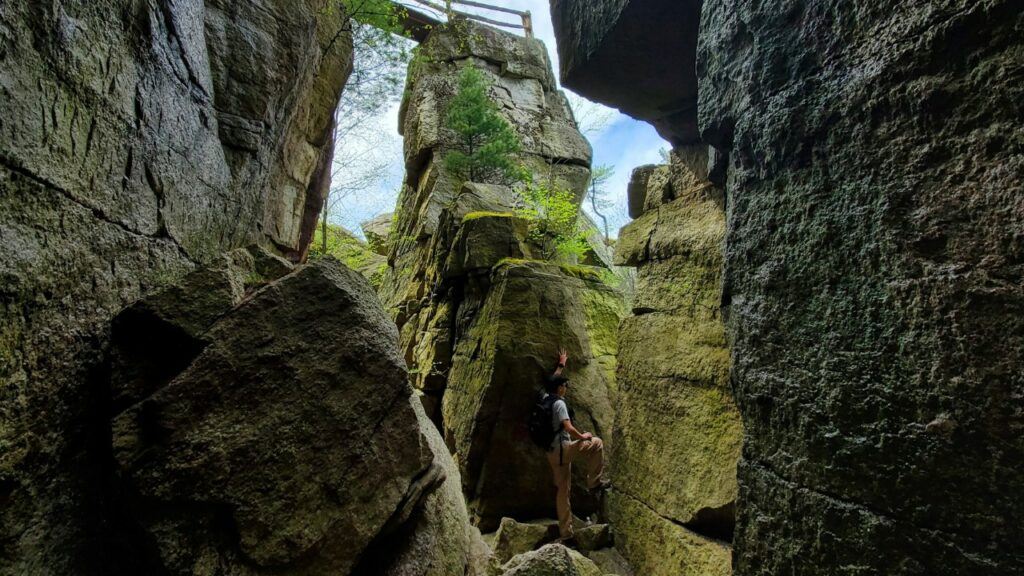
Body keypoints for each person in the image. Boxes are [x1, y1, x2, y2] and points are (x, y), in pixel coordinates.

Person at [543, 349, 606, 543]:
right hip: (563, 450)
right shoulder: (559, 404)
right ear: (560, 389)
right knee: (596, 444)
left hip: (551, 452)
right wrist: (583, 436)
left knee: (563, 490)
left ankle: (566, 533)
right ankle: (594, 482)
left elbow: (552, 379)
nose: (566, 388)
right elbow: (568, 427)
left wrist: (561, 364)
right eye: (564, 385)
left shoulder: (545, 396)